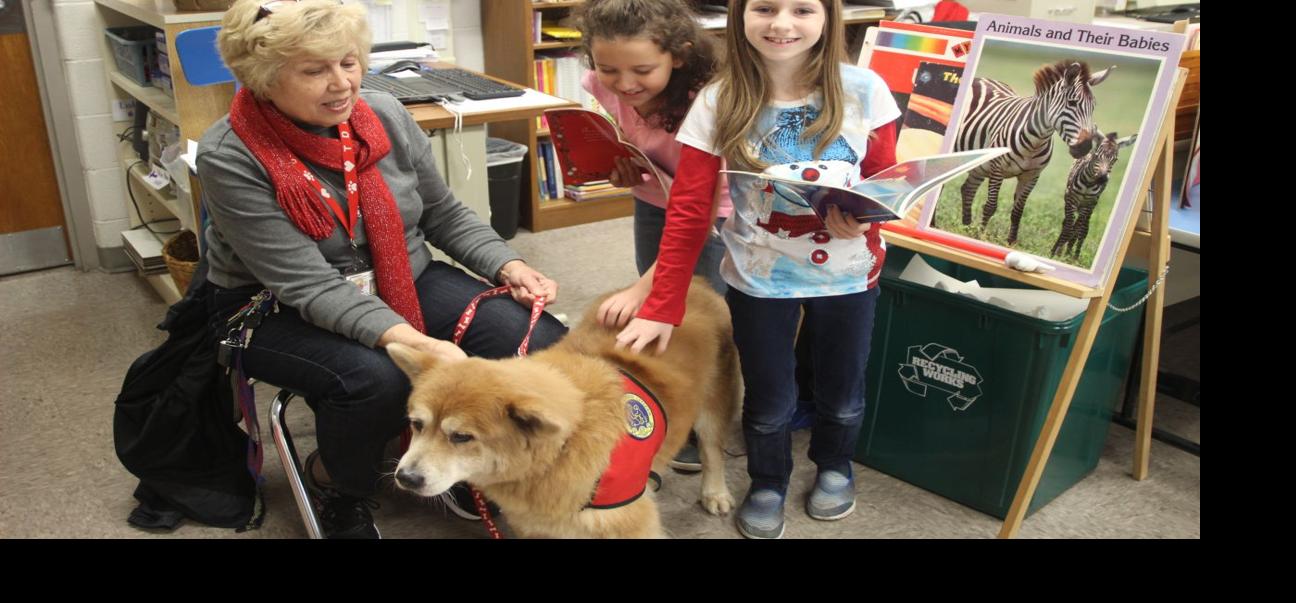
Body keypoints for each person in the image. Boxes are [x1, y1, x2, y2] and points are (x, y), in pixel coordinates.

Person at [198, 0, 566, 539]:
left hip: (400, 277)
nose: (342, 83)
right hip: (270, 306)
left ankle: (477, 462)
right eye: (315, 70)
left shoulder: (383, 113)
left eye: (349, 62)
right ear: (263, 77)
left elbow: (442, 211)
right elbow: (306, 283)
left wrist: (506, 262)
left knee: (535, 341)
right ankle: (337, 482)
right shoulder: (230, 154)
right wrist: (415, 342)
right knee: (379, 379)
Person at [614, 0, 900, 539]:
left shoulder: (866, 90)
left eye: (802, 9)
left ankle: (835, 466)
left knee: (843, 390)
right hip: (760, 279)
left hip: (850, 276)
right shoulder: (718, 100)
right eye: (765, 7)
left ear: (829, 17)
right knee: (768, 399)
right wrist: (662, 305)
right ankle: (767, 481)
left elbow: (889, 183)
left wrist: (866, 222)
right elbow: (690, 210)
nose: (782, 24)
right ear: (741, 14)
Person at [575, 0, 733, 474]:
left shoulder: (711, 100)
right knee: (660, 321)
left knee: (702, 320)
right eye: (608, 70)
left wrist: (645, 285)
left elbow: (703, 206)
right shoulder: (601, 87)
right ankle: (672, 412)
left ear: (679, 56)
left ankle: (713, 418)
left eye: (642, 70)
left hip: (714, 213)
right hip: (653, 196)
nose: (624, 84)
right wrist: (624, 171)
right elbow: (635, 145)